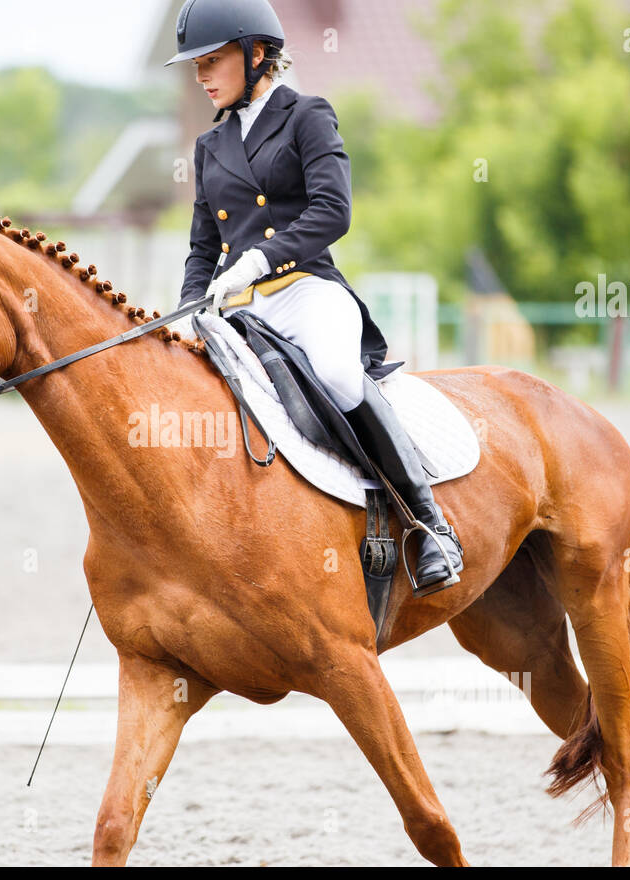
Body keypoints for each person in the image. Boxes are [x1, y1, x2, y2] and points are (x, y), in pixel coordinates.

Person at [167, 0, 463, 596]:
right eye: (195, 64)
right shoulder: (208, 145)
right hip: (241, 309)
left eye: (212, 60)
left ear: (257, 54)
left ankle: (428, 525)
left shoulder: (308, 116)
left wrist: (257, 259)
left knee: (336, 373)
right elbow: (202, 249)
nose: (200, 75)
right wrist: (187, 309)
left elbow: (334, 211)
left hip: (305, 289)